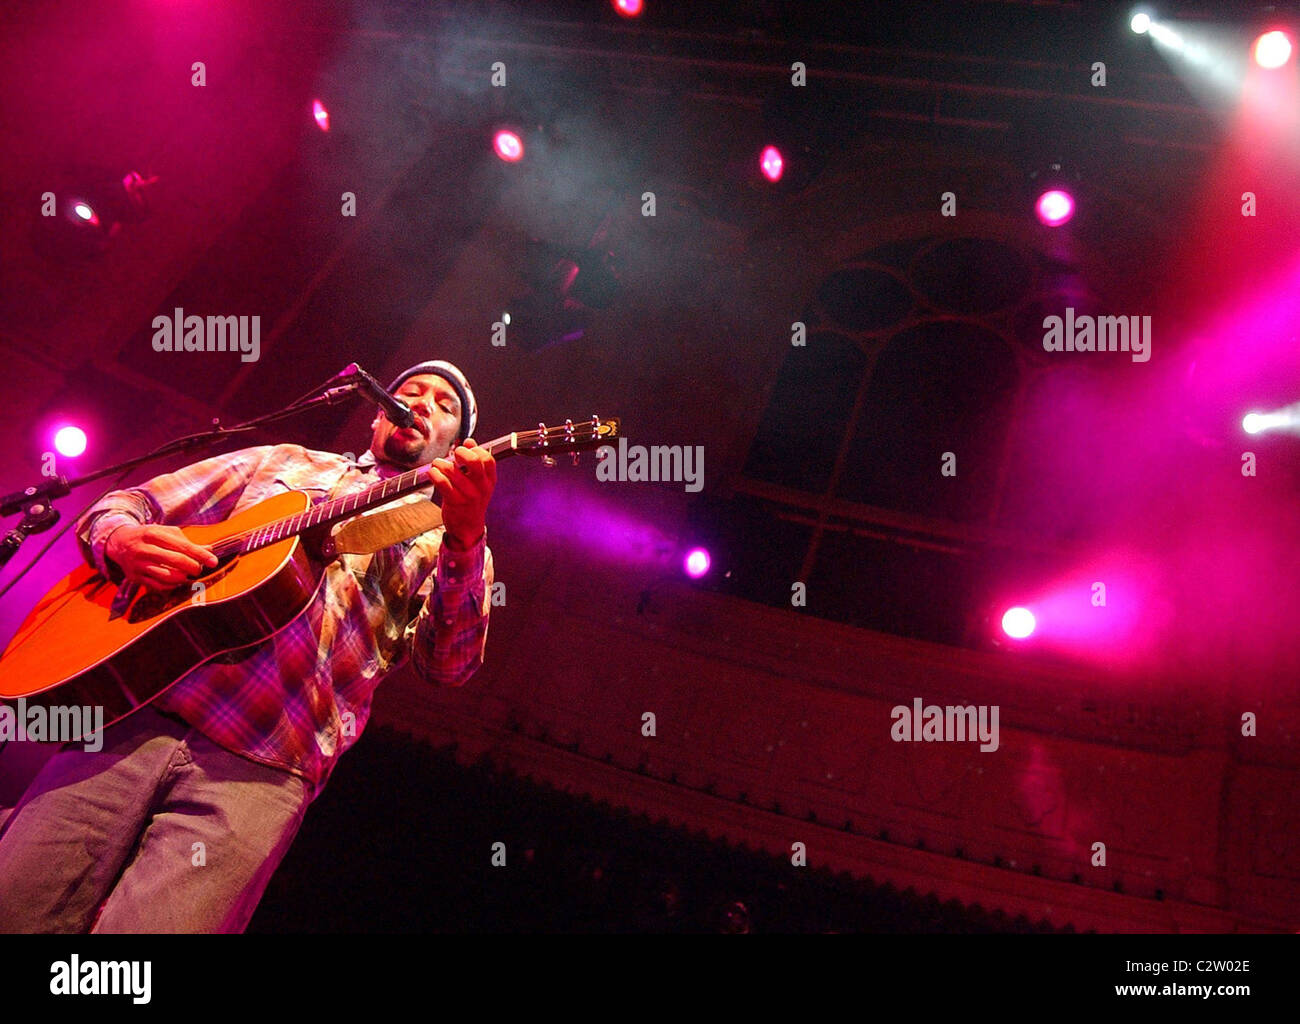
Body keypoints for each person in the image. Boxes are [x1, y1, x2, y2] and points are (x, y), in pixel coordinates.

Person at [0, 360, 496, 933]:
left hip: (262, 773)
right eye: (411, 392)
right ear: (377, 413)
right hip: (134, 717)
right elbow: (124, 506)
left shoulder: (451, 537)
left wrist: (465, 536)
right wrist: (124, 540)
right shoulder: (282, 462)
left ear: (458, 448)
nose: (423, 403)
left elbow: (450, 664)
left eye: (445, 404)